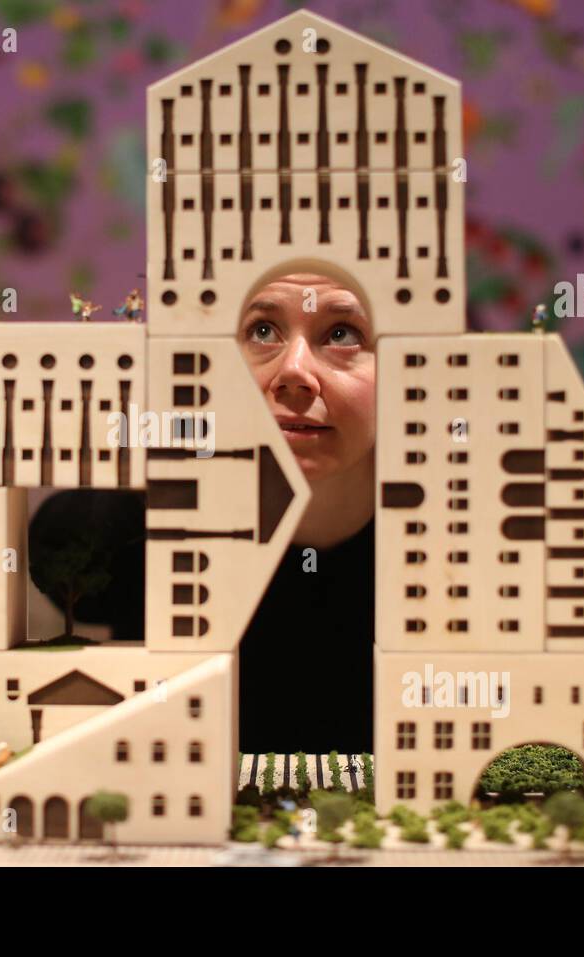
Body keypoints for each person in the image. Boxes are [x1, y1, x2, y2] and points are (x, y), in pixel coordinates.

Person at [234, 271, 376, 754]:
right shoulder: (112, 539)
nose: (294, 373)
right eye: (262, 331)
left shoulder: (487, 548)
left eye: (341, 334)